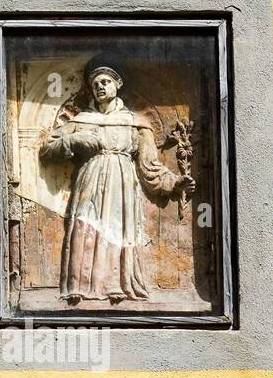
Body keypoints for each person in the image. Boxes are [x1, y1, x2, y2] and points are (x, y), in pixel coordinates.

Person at [39, 57, 194, 305]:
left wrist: (175, 182)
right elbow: (47, 149)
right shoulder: (81, 121)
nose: (100, 87)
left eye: (105, 82)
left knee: (119, 227)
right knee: (86, 226)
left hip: (122, 184)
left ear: (117, 84)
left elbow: (149, 166)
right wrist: (74, 141)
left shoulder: (135, 123)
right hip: (90, 179)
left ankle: (117, 284)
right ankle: (80, 283)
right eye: (96, 83)